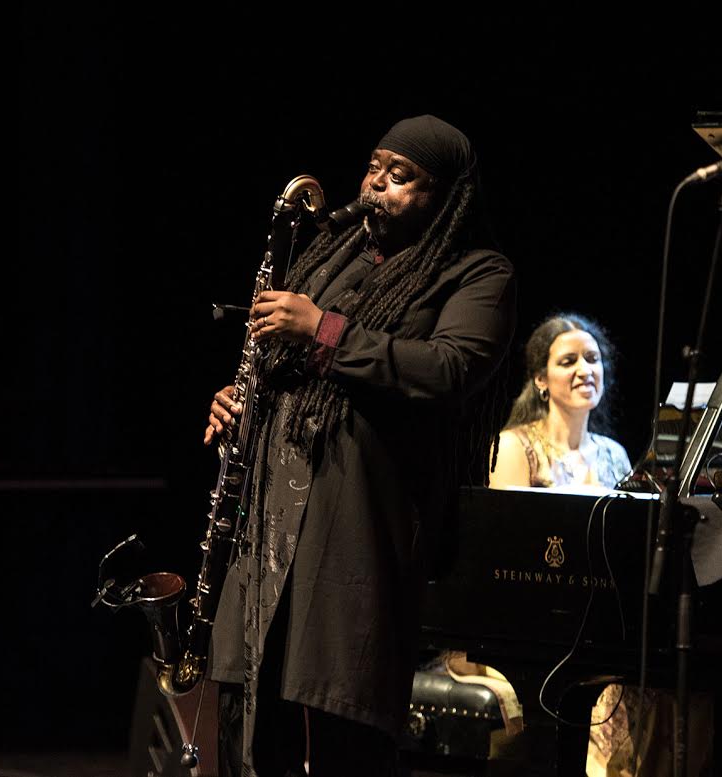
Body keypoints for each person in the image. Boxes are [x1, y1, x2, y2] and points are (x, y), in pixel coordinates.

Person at [203, 115, 516, 776]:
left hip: (355, 530)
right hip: (272, 523)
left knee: (341, 713)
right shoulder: (334, 252)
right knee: (246, 709)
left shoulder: (476, 272)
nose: (377, 185)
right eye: (375, 167)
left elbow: (451, 368)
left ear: (445, 198)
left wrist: (323, 330)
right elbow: (285, 368)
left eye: (402, 177)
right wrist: (244, 404)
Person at [489, 313, 630, 490]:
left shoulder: (615, 455)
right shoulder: (513, 447)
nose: (585, 370)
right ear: (541, 379)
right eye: (568, 362)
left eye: (592, 359)